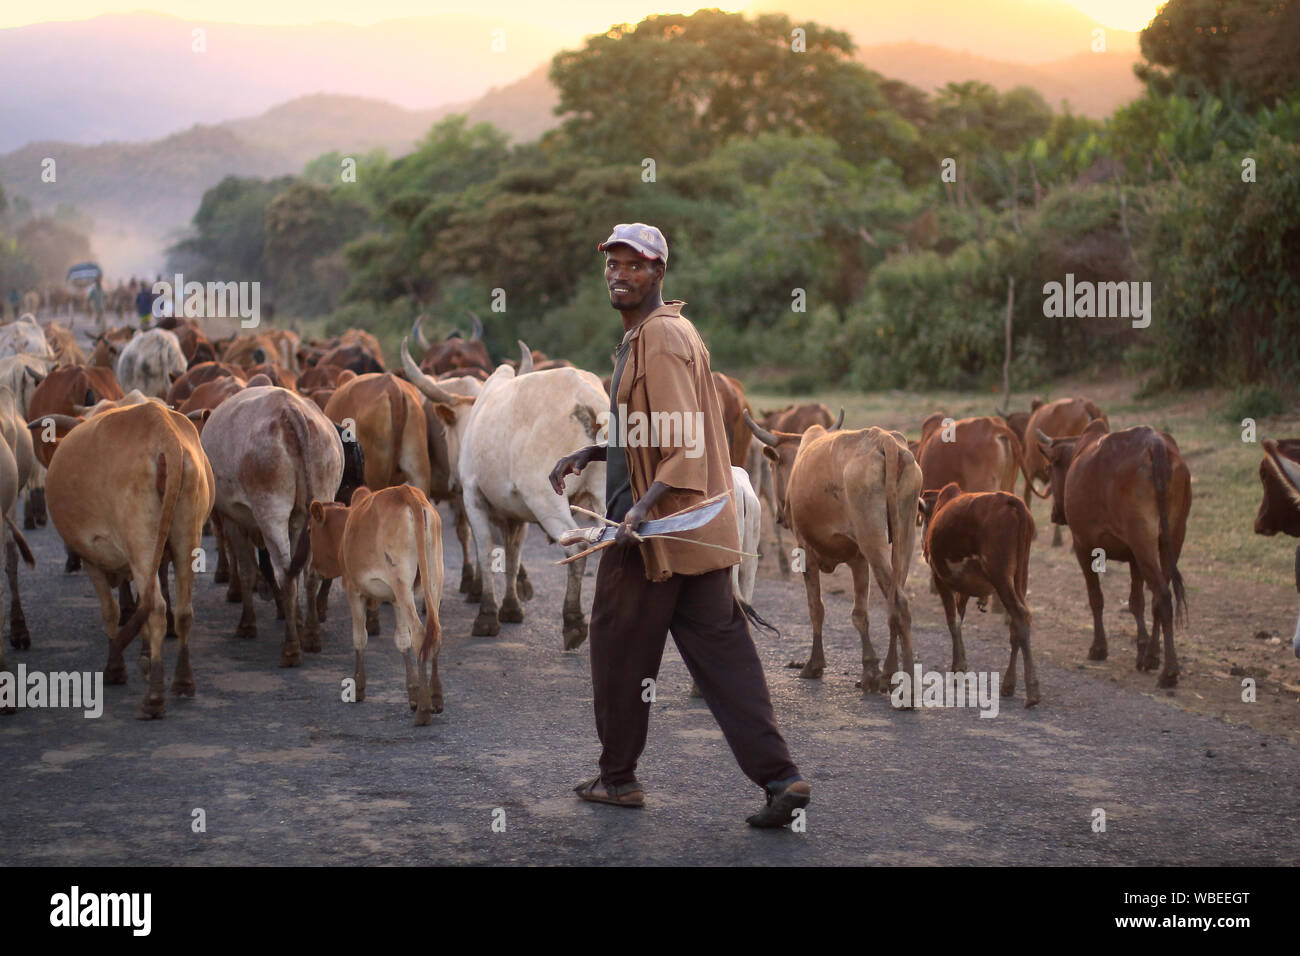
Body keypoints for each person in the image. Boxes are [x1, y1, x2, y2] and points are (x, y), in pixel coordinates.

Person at [548, 223, 810, 828]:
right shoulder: (658, 332)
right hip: (699, 534)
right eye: (612, 264)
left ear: (659, 272)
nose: (620, 274)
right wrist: (592, 454)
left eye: (634, 265)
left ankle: (617, 779)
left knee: (616, 649)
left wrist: (638, 512)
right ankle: (782, 778)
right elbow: (655, 429)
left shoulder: (659, 339)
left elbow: (685, 443)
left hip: (654, 537)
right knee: (727, 661)